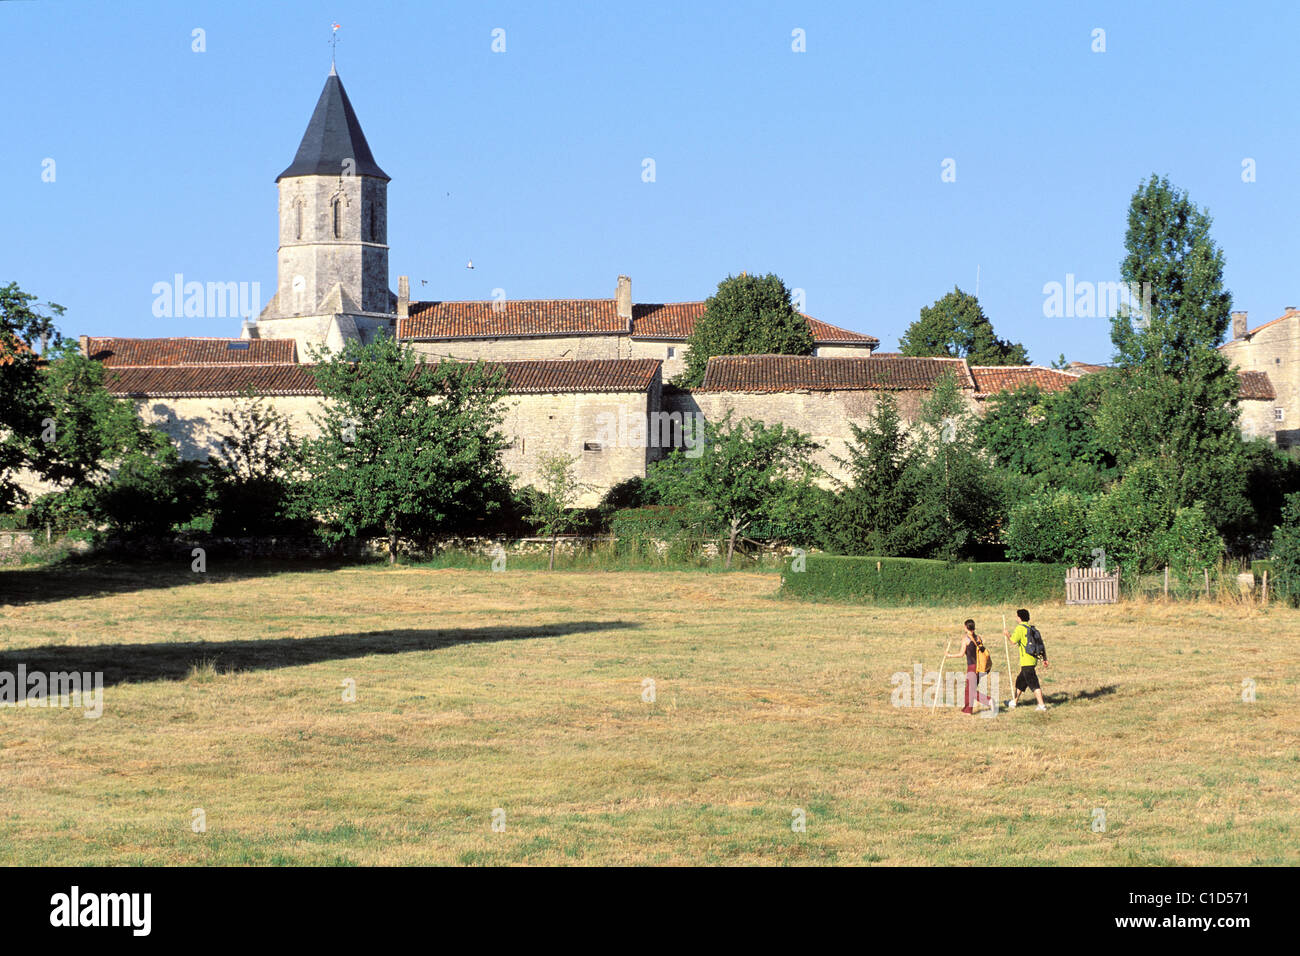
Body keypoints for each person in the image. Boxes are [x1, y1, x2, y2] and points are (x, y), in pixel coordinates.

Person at [1004, 608, 1049, 711]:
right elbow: (1041, 644)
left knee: (1033, 683)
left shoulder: (1020, 628)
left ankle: (1042, 705)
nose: (1016, 618)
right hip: (1033, 660)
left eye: (1017, 616)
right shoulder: (1032, 628)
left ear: (1019, 618)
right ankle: (1014, 702)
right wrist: (1044, 658)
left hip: (1026, 661)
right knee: (1020, 681)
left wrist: (1007, 634)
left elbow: (1013, 641)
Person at [945, 619, 993, 714]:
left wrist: (949, 655)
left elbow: (961, 654)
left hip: (972, 667)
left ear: (966, 627)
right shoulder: (978, 638)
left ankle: (988, 701)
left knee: (970, 690)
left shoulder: (966, 639)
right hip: (981, 667)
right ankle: (967, 710)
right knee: (970, 690)